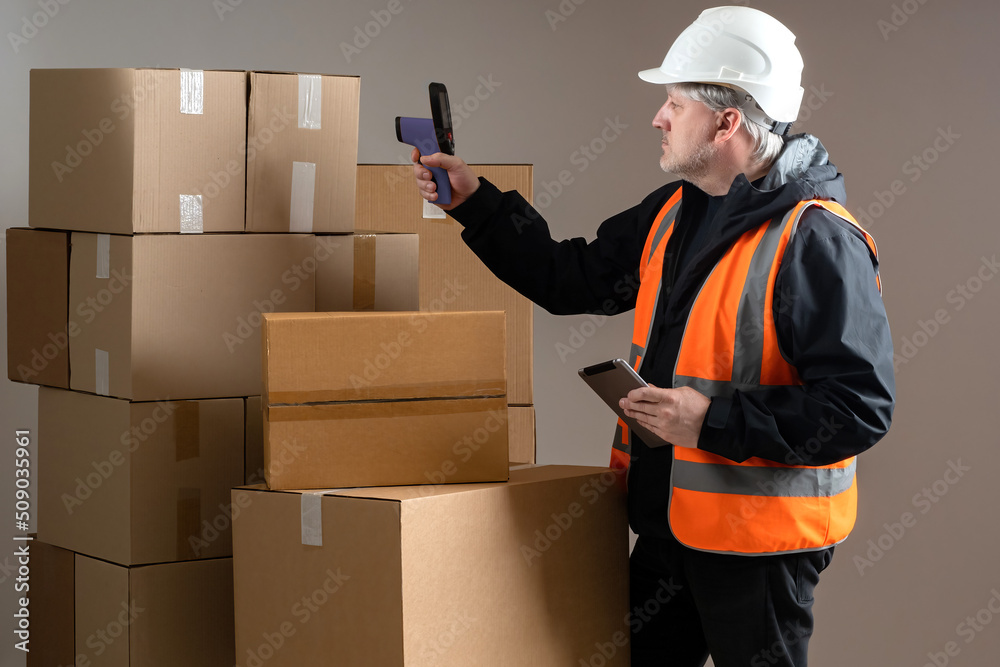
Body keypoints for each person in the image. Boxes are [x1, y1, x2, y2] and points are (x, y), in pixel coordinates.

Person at [408, 6, 894, 666]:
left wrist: (711, 419)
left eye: (673, 103)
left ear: (726, 121)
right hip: (670, 527)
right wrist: (475, 202)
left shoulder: (818, 240)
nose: (658, 118)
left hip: (758, 549)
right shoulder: (677, 209)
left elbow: (858, 408)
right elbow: (570, 278)